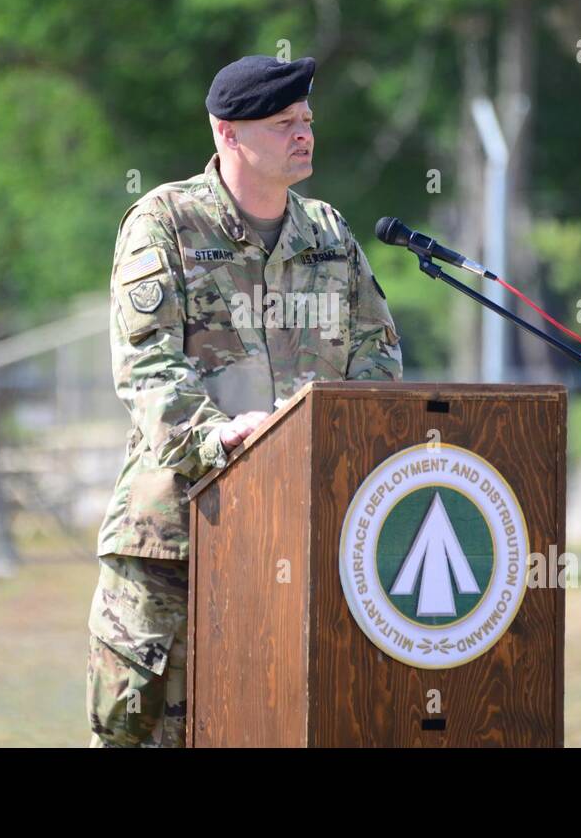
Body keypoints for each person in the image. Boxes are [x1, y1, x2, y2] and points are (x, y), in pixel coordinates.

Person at [86, 54, 402, 747]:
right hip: (178, 538)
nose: (304, 134)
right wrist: (218, 437)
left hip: (298, 539)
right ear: (228, 134)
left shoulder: (327, 234)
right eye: (284, 122)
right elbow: (147, 365)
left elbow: (376, 359)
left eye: (308, 121)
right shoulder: (166, 222)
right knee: (142, 739)